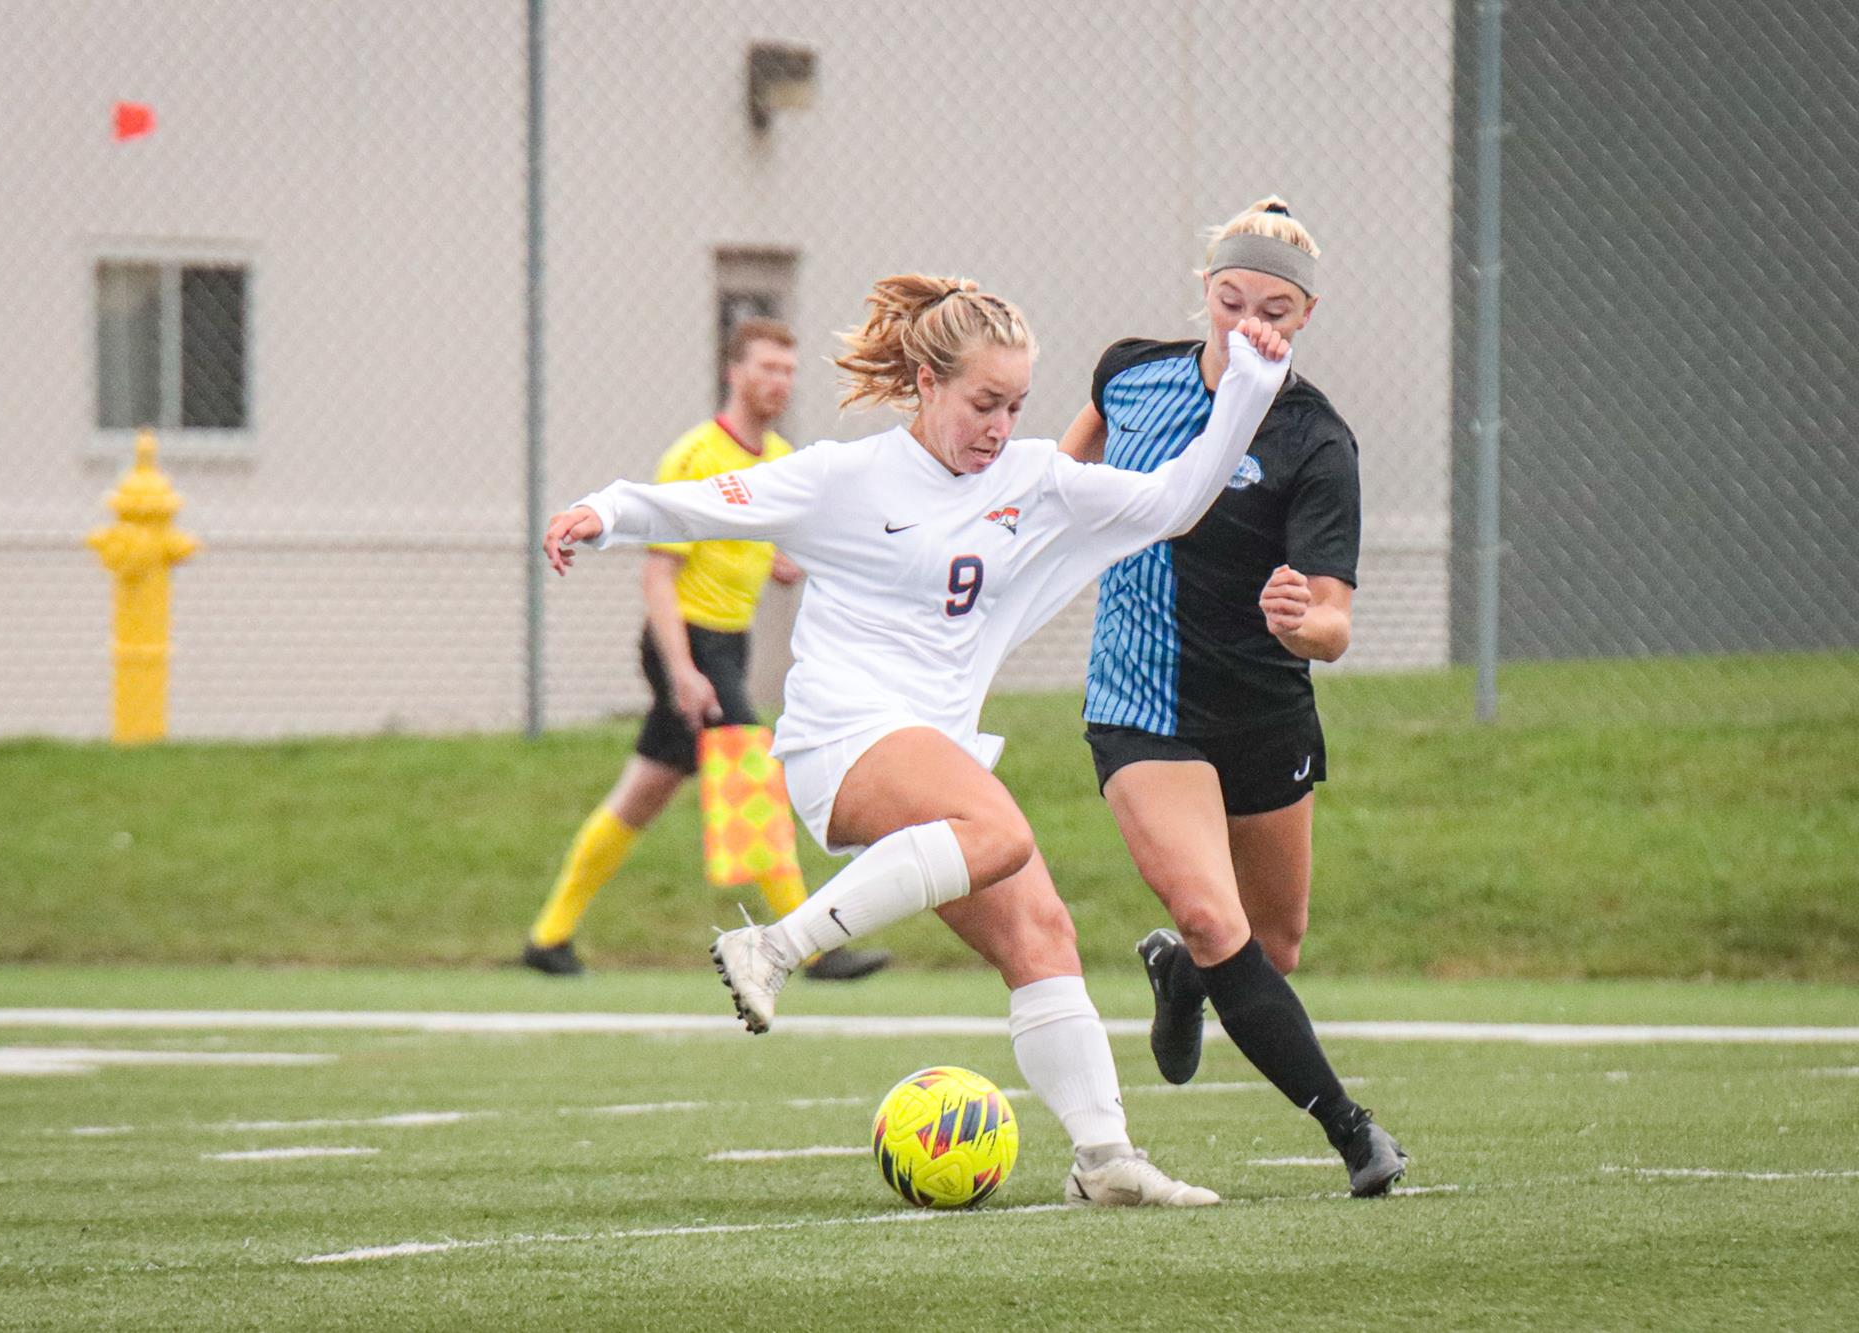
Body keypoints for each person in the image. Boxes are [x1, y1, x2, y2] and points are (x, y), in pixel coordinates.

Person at [545, 273, 1295, 1207]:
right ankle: (774, 948)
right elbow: (711, 499)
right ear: (928, 383)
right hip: (842, 738)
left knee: (1043, 933)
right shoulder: (845, 476)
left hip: (936, 753)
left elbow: (1176, 502)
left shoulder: (1032, 478)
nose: (999, 423)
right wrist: (607, 512)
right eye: (984, 402)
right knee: (1003, 832)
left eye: (1016, 404)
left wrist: (1248, 393)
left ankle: (1105, 1160)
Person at [1057, 196, 1408, 1197]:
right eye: (1229, 296)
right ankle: (1353, 1134)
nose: (1246, 319)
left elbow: (1333, 622)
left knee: (1273, 941)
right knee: (1219, 918)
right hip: (1140, 701)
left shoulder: (1313, 439)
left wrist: (1303, 620)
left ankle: (1181, 973)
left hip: (1260, 708)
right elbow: (1053, 474)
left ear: (1301, 319)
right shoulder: (1132, 376)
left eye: (1273, 307)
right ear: (1204, 293)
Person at [522, 317, 889, 982]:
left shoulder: (780, 454)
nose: (778, 381)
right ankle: (813, 948)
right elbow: (657, 574)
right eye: (766, 367)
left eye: (787, 369)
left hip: (730, 643)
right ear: (734, 372)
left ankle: (548, 937)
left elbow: (757, 531)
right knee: (752, 777)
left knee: (642, 793)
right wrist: (682, 671)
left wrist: (778, 559)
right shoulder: (694, 454)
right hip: (687, 643)